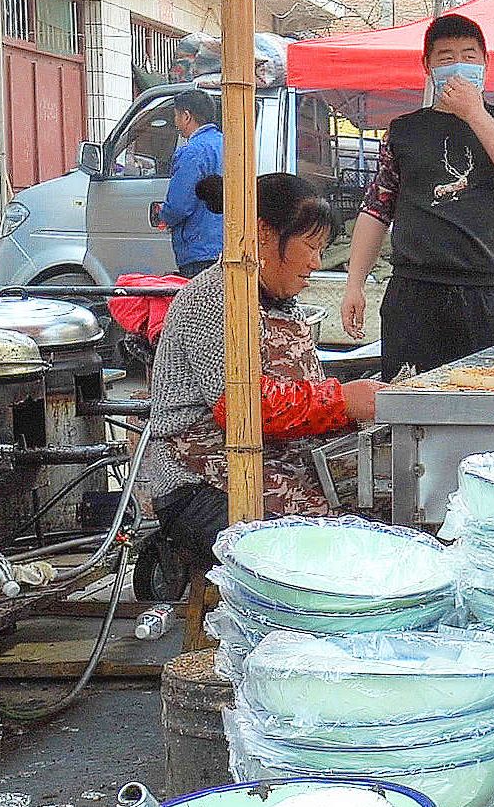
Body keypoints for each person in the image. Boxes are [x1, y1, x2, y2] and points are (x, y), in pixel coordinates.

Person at [140, 173, 386, 599]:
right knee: (326, 557)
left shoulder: (277, 301)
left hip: (271, 463)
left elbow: (298, 393)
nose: (316, 262)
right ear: (264, 235)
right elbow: (240, 408)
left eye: (321, 250)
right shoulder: (215, 299)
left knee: (375, 516)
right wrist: (342, 401)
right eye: (310, 247)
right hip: (197, 484)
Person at [337, 13, 494, 378]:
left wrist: (474, 113)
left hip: (489, 294)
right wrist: (354, 284)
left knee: (485, 404)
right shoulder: (404, 131)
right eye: (446, 58)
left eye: (469, 55)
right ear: (428, 67)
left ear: (485, 63)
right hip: (415, 294)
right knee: (409, 404)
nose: (459, 65)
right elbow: (376, 208)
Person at [155, 88, 226, 274]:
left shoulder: (192, 152)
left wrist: (163, 214)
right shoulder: (230, 144)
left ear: (186, 116)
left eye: (176, 117)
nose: (176, 123)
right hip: (229, 245)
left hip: (199, 249)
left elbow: (179, 206)